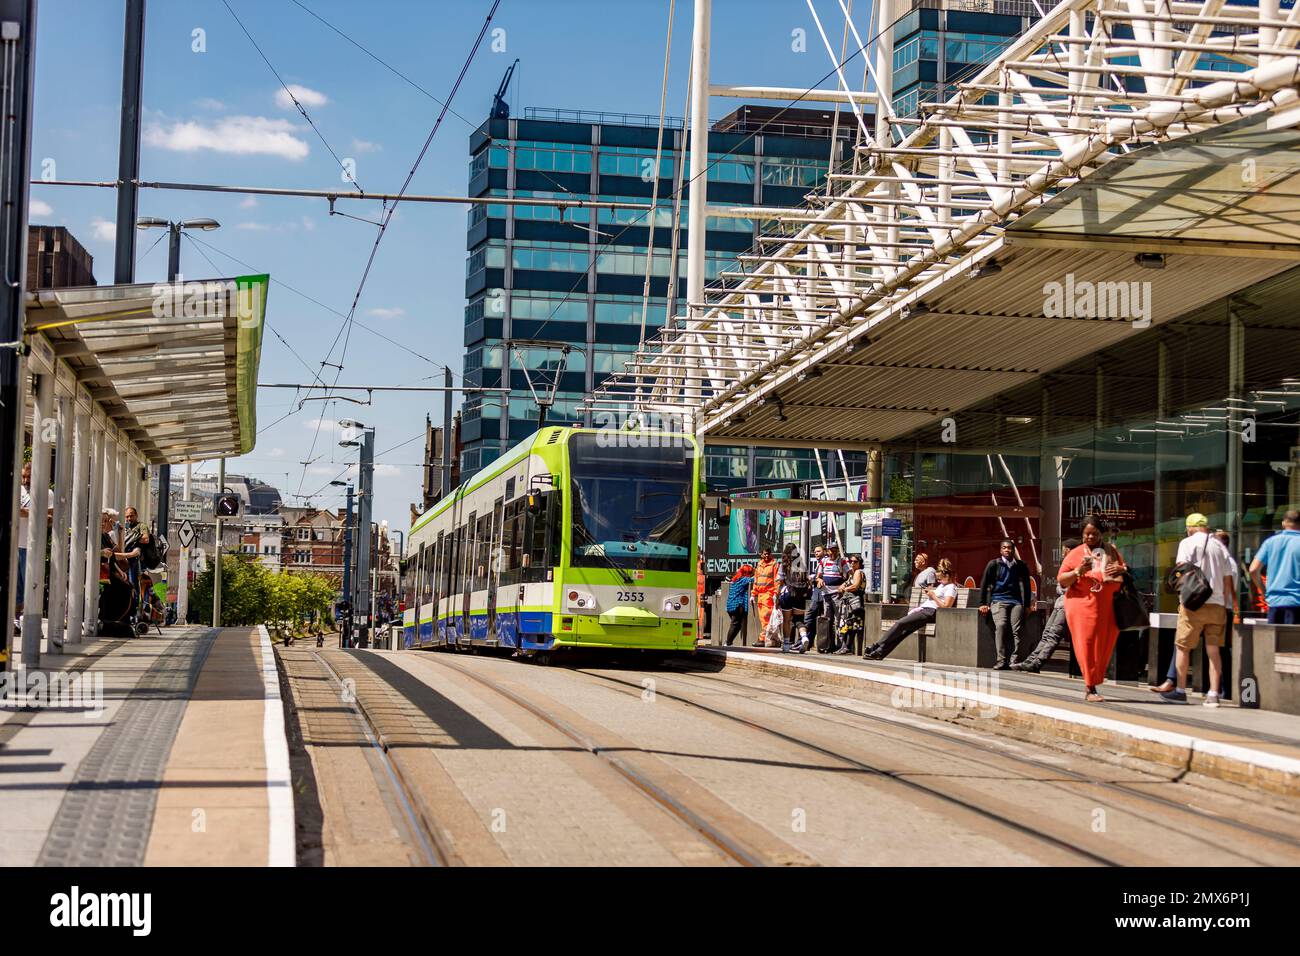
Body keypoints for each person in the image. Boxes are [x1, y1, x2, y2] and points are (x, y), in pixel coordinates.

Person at [1151, 513, 1235, 706]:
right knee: (1213, 650)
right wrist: (1226, 603)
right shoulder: (1220, 546)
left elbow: (1181, 570)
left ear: (1190, 527)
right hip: (1217, 604)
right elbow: (1228, 579)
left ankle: (1180, 691)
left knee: (1183, 647)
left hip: (1193, 604)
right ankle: (1213, 694)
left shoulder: (1187, 543)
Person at [1058, 517, 1127, 702]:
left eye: (1094, 534)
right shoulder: (1076, 553)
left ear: (1101, 534)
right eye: (1086, 534)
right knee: (1085, 644)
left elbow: (1124, 571)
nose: (1090, 537)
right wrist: (1078, 571)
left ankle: (1095, 679)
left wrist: (1121, 569)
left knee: (1104, 645)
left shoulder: (1111, 551)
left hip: (1107, 608)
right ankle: (1090, 688)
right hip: (1081, 606)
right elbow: (1062, 579)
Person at [864, 558, 957, 660]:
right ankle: (880, 653)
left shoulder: (951, 587)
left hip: (930, 612)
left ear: (947, 576)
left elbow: (946, 606)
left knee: (900, 623)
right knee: (904, 632)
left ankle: (876, 645)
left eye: (940, 579)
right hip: (925, 610)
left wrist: (933, 596)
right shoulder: (942, 586)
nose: (938, 581)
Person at [1011, 539, 1079, 673]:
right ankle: (1030, 661)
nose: (1062, 552)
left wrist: (1062, 587)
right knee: (1046, 633)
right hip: (1060, 604)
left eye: (1064, 549)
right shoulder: (1068, 564)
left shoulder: (1077, 566)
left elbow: (1065, 588)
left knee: (1053, 635)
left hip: (1067, 605)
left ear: (1069, 550)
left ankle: (1037, 663)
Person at [978, 538, 1035, 670]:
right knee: (1001, 625)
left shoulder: (1021, 565)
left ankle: (1014, 660)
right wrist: (982, 603)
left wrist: (1027, 605)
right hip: (998, 600)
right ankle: (1001, 660)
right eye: (1004, 548)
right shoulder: (994, 564)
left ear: (1014, 550)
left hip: (1016, 601)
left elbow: (1027, 586)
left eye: (1009, 548)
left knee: (1017, 629)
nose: (1007, 550)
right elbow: (984, 583)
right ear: (1000, 550)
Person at [1249, 509, 1300, 624]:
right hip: (1297, 603)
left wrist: (1264, 591)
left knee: (1276, 641)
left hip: (1274, 603)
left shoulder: (1270, 542)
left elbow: (1253, 569)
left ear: (1283, 523)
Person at [813, 543, 848, 653]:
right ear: (827, 551)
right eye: (830, 550)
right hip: (826, 594)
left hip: (837, 594)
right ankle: (828, 644)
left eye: (834, 550)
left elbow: (850, 575)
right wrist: (820, 581)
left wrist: (844, 586)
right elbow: (818, 577)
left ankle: (841, 644)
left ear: (837, 550)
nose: (832, 553)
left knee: (839, 619)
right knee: (827, 620)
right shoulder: (824, 561)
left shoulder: (842, 562)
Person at [834, 554, 867, 654]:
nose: (852, 563)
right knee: (848, 625)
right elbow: (845, 584)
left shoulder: (858, 572)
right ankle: (845, 647)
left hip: (855, 602)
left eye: (855, 561)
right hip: (849, 602)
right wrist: (841, 587)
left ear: (860, 563)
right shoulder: (852, 574)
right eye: (850, 561)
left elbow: (856, 586)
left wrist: (845, 589)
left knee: (851, 624)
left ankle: (847, 647)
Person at [799, 544, 826, 650]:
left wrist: (813, 577)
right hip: (817, 593)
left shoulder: (824, 562)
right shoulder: (818, 563)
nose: (816, 553)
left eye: (818, 551)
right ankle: (807, 642)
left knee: (810, 617)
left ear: (824, 552)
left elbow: (823, 576)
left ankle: (806, 641)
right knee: (813, 620)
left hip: (822, 594)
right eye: (815, 551)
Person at [753, 547, 778, 647]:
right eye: (765, 554)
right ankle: (767, 639)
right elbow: (756, 580)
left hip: (769, 594)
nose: (766, 556)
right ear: (761, 554)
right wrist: (753, 594)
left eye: (768, 554)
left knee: (765, 618)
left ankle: (762, 639)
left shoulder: (774, 565)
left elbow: (776, 580)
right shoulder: (759, 565)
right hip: (760, 595)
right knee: (762, 618)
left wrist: (776, 593)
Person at [724, 564, 755, 647]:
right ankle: (727, 643)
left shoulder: (736, 578)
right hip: (737, 605)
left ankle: (729, 642)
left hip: (730, 604)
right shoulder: (743, 579)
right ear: (747, 572)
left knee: (737, 625)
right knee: (735, 625)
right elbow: (754, 579)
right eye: (751, 572)